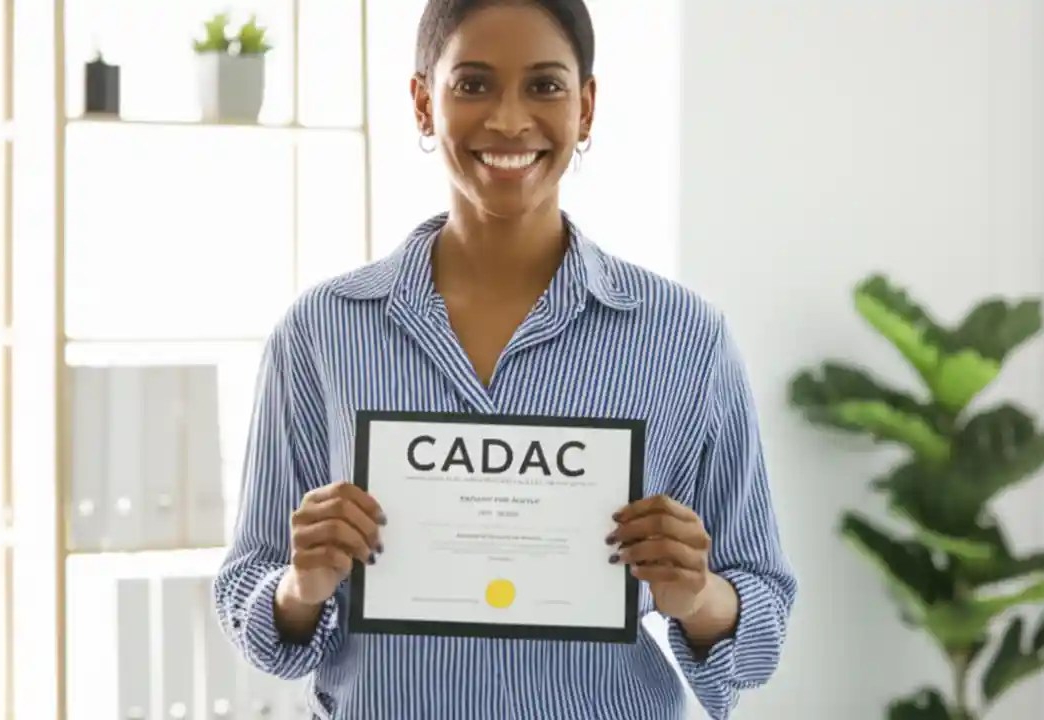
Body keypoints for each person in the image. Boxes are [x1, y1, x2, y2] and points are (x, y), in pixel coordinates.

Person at [213, 1, 797, 718]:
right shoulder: (320, 334)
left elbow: (760, 606)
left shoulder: (686, 338)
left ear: (586, 107)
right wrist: (300, 587)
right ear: (424, 102)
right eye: (474, 84)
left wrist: (700, 596)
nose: (510, 120)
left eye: (546, 86)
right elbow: (252, 587)